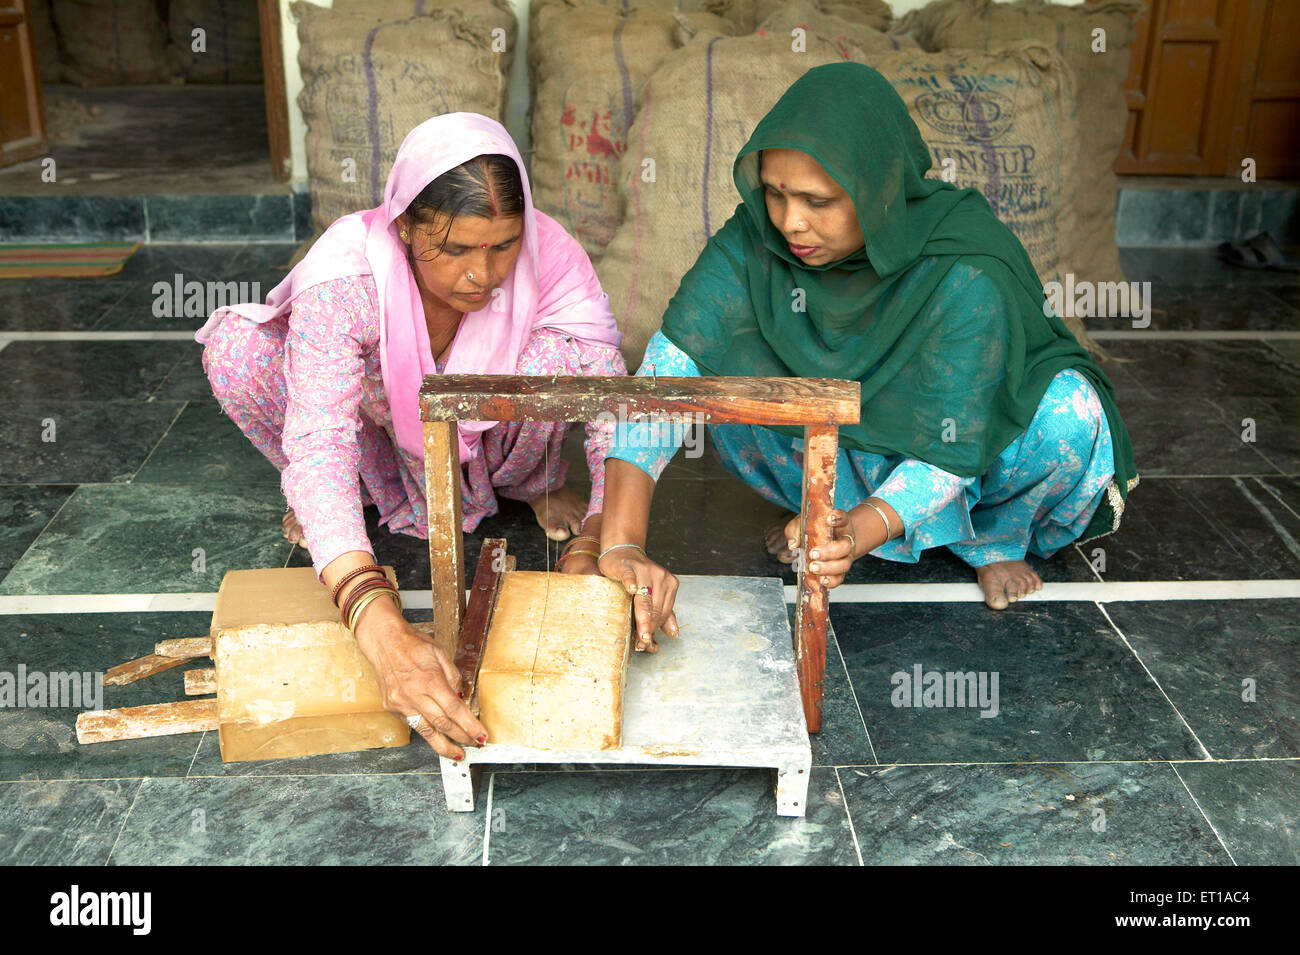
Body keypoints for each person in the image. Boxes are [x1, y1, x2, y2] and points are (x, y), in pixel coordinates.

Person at [593, 63, 1139, 649]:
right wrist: (622, 544)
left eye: (817, 201)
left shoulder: (965, 259)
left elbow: (956, 438)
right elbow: (666, 376)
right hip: (850, 441)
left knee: (1068, 413)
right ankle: (826, 508)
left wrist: (853, 533)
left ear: (879, 192)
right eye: (776, 193)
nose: (790, 221)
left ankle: (990, 537)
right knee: (720, 388)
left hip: (966, 447)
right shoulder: (757, 237)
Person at [194, 113, 626, 759]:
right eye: (454, 249)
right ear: (404, 226)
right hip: (381, 436)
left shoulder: (550, 253)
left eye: (501, 244)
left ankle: (535, 485)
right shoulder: (348, 277)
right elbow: (317, 435)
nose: (482, 275)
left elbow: (613, 405)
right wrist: (381, 626)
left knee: (562, 356)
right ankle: (345, 505)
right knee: (236, 349)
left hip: (498, 446)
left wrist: (601, 534)